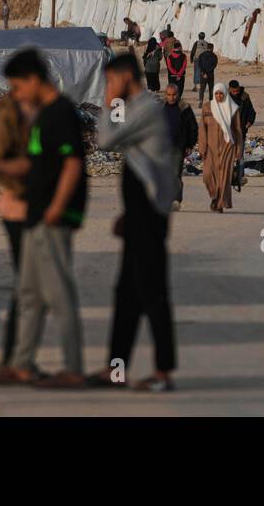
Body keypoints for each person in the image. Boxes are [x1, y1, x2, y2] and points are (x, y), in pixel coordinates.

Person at [0, 50, 87, 387]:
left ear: (34, 80)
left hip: (52, 216)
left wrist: (56, 208)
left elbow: (72, 165)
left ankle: (73, 369)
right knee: (28, 293)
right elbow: (32, 165)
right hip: (34, 213)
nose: (16, 94)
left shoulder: (61, 113)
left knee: (58, 294)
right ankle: (21, 364)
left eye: (18, 86)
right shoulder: (42, 117)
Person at [89, 54, 179, 392]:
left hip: (149, 221)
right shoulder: (139, 109)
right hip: (140, 216)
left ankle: (163, 372)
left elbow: (106, 140)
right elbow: (143, 165)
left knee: (152, 294)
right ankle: (116, 370)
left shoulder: (144, 108)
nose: (109, 88)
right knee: (127, 297)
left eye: (112, 80)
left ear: (126, 77)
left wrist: (109, 101)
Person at [0, 91, 33, 386]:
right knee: (30, 287)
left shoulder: (13, 118)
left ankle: (18, 360)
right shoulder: (13, 120)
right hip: (21, 210)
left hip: (18, 209)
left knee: (28, 287)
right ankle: (15, 360)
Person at [198, 83, 241, 212]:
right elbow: (202, 128)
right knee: (207, 175)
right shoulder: (207, 107)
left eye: (221, 93)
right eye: (216, 93)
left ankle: (220, 203)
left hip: (227, 146)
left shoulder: (233, 109)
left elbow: (237, 130)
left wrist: (239, 149)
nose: (218, 96)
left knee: (224, 177)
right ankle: (215, 196)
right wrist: (202, 146)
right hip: (210, 147)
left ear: (225, 94)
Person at [162, 84, 198, 208]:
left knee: (176, 174)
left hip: (179, 146)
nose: (171, 98)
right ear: (165, 95)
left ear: (178, 95)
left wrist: (190, 144)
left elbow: (193, 127)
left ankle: (176, 200)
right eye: (169, 95)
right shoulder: (160, 108)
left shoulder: (184, 108)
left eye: (174, 95)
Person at [227, 80, 256, 187]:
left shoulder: (244, 97)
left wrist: (249, 122)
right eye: (233, 91)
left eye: (237, 91)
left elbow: (251, 111)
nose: (235, 93)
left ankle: (240, 177)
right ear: (229, 89)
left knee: (240, 156)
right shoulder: (224, 98)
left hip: (240, 132)